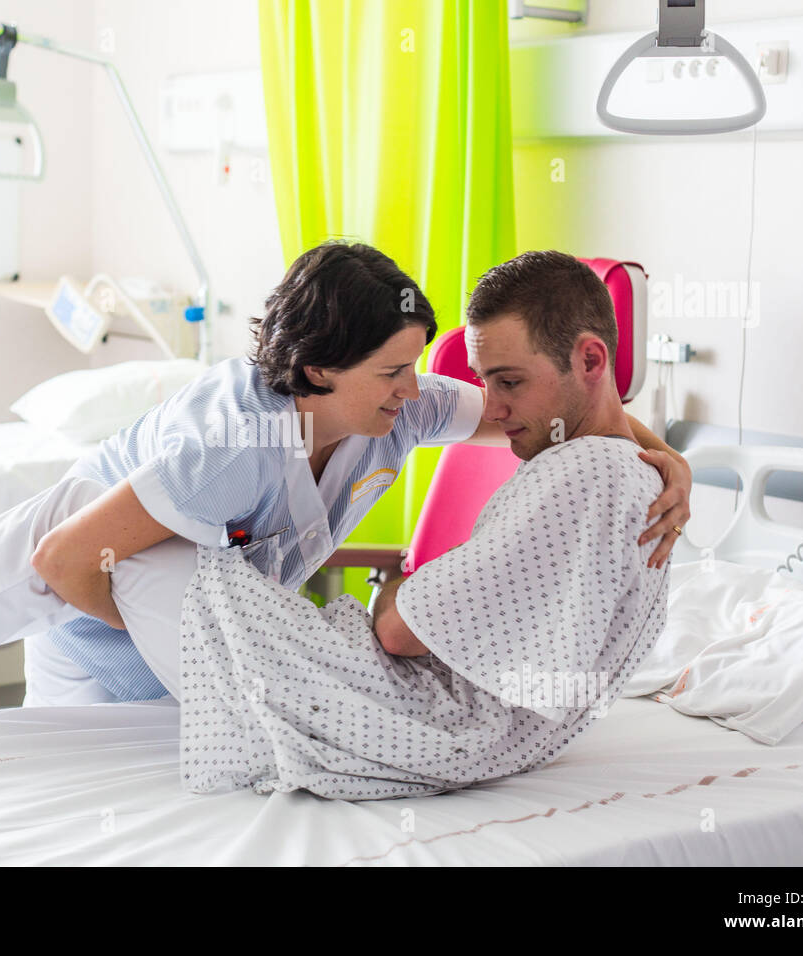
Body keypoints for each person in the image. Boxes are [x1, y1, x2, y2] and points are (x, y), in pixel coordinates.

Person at [0, 242, 690, 720]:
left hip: (194, 634)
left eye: (417, 365)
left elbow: (544, 414)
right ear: (316, 372)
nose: (420, 389)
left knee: (85, 535)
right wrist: (186, 616)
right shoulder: (233, 442)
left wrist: (657, 453)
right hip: (101, 652)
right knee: (60, 529)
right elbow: (64, 561)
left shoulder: (402, 406)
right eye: (393, 370)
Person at [171, 250, 676, 798]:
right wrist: (673, 460)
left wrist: (395, 593)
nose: (495, 409)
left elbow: (399, 631)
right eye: (485, 382)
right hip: (480, 718)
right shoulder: (618, 468)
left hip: (420, 706)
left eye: (509, 382)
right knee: (203, 589)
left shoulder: (580, 472)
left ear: (591, 361)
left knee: (213, 588)